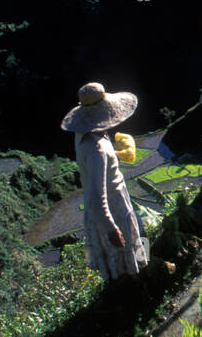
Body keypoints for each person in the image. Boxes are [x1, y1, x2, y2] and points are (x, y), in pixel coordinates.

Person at [61, 82, 149, 282]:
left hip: (108, 209)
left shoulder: (86, 135)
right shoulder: (97, 148)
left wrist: (115, 155)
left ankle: (128, 290)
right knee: (124, 263)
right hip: (112, 210)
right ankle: (134, 293)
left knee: (118, 262)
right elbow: (97, 197)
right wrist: (111, 228)